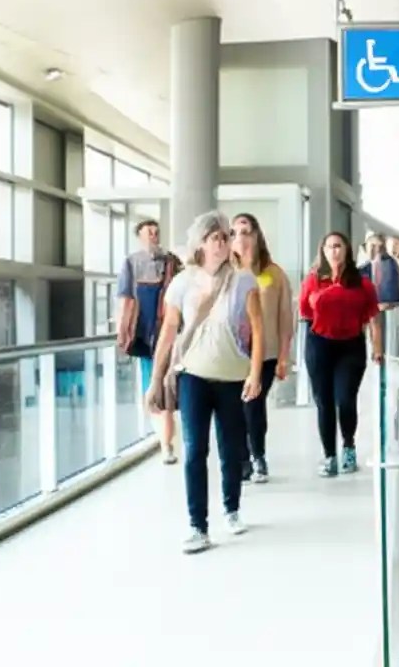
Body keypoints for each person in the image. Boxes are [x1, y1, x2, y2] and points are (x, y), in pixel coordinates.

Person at [147, 211, 264, 554]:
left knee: (231, 448)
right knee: (195, 449)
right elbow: (169, 331)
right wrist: (157, 379)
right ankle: (198, 525)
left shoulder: (244, 281)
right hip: (193, 375)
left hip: (231, 376)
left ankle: (231, 509)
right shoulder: (182, 282)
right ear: (201, 243)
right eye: (217, 238)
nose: (224, 243)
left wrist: (256, 373)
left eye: (226, 238)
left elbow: (257, 330)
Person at [299, 232, 385, 477]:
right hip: (320, 345)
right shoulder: (313, 280)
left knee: (345, 399)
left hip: (351, 346)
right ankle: (329, 456)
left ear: (347, 250)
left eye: (338, 246)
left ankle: (348, 445)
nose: (334, 251)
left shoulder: (363, 284)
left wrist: (377, 347)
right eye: (329, 247)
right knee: (324, 402)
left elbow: (373, 319)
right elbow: (305, 312)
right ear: (323, 251)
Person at [231, 213, 293, 483]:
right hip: (233, 354)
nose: (240, 238)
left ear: (257, 236)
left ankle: (257, 455)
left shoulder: (273, 273)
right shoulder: (225, 273)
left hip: (265, 354)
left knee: (253, 404)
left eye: (246, 231)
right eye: (234, 232)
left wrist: (283, 356)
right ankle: (241, 457)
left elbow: (284, 318)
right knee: (235, 408)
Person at [116, 219, 182, 464]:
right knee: (154, 387)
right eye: (149, 232)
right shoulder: (131, 263)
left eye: (156, 232)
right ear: (140, 236)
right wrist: (123, 332)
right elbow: (125, 299)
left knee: (165, 386)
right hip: (145, 334)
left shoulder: (172, 262)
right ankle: (165, 443)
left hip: (170, 332)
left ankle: (166, 443)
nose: (154, 236)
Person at [361, 233, 399, 307]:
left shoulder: (394, 266)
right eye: (373, 246)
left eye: (381, 246)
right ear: (365, 248)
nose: (377, 250)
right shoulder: (360, 273)